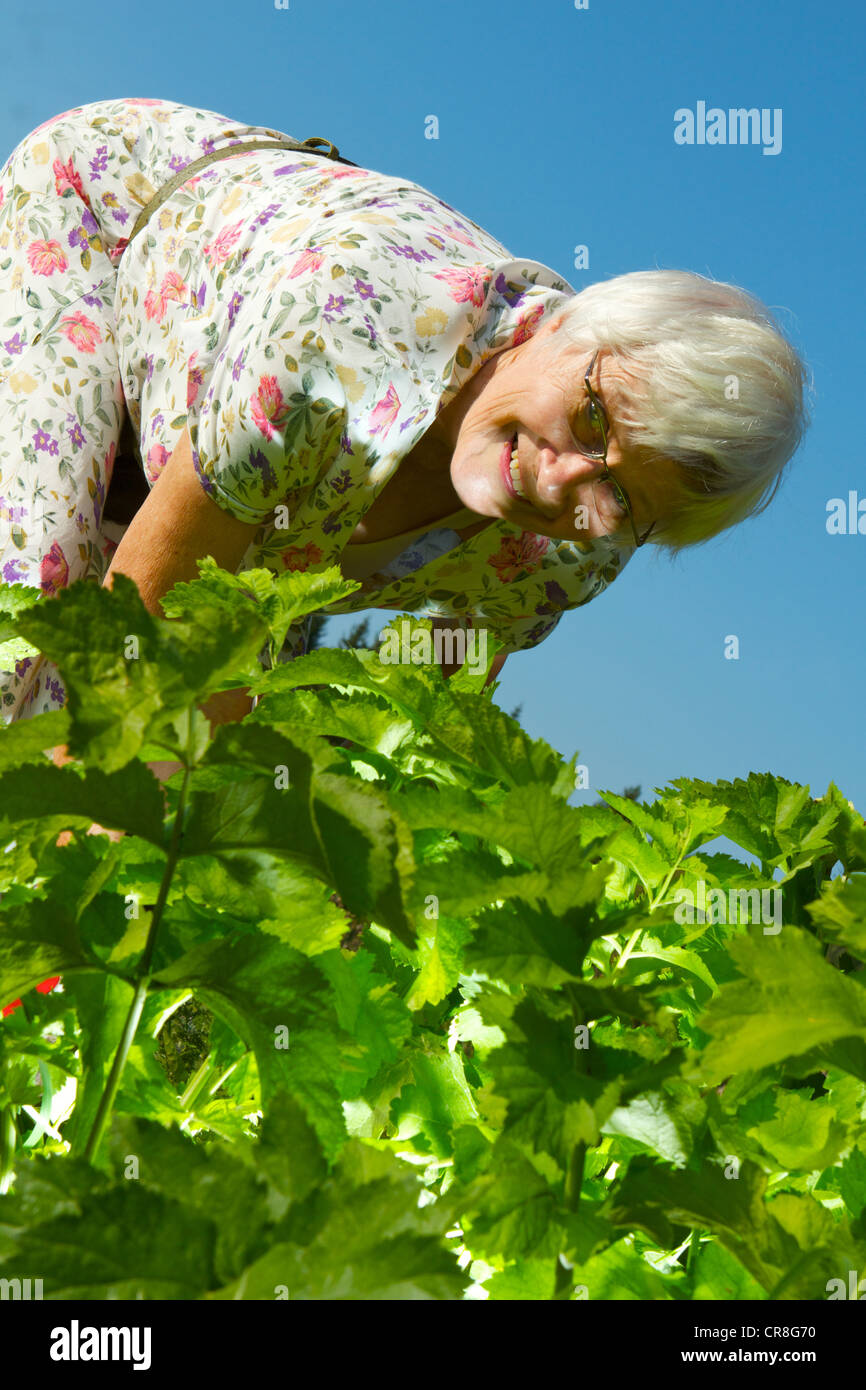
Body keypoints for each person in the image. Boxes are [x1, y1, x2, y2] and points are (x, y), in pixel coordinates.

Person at [0, 97, 811, 737]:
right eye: (594, 419)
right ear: (565, 324)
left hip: (264, 447)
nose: (562, 481)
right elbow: (136, 641)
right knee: (37, 624)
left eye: (626, 500)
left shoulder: (565, 562)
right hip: (107, 214)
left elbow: (423, 729)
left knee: (232, 716)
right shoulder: (339, 332)